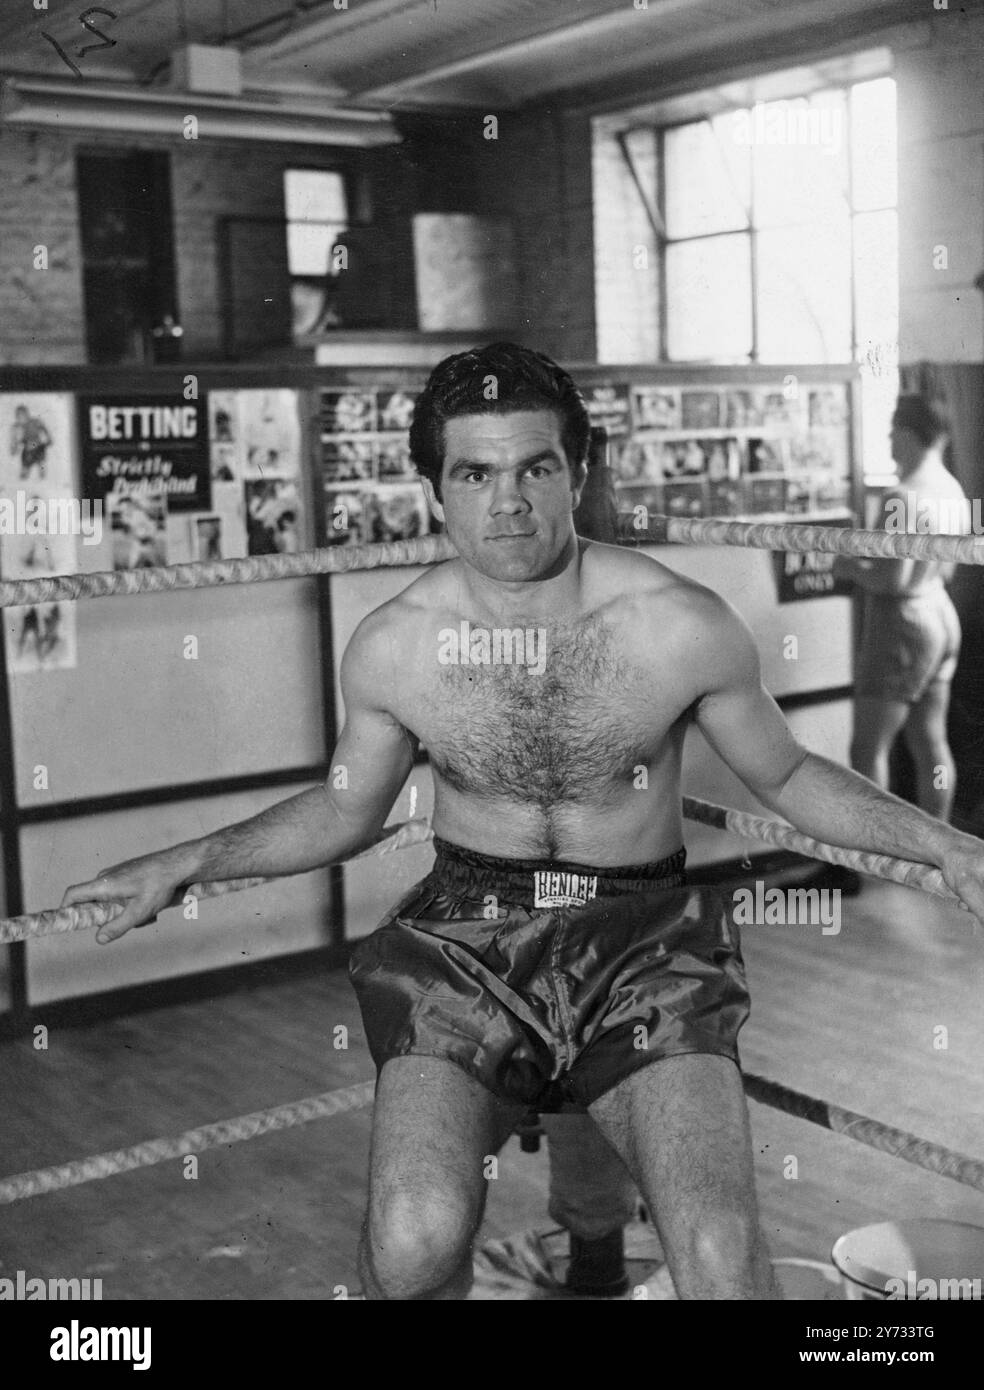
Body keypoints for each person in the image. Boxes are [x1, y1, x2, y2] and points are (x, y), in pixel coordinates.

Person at [62, 344, 984, 1301]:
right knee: (412, 1238)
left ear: (576, 475)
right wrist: (186, 861)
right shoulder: (394, 645)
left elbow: (787, 772)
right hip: (466, 940)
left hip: (640, 942)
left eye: (535, 468)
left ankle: (602, 1243)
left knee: (719, 1262)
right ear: (435, 490)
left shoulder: (680, 622)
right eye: (474, 473)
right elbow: (345, 806)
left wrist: (945, 847)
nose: (508, 502)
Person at [832, 396, 970, 823]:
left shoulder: (900, 496)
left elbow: (890, 581)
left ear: (908, 434)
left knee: (868, 747)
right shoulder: (951, 486)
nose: (889, 440)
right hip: (941, 615)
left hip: (904, 622)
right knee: (931, 742)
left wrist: (847, 565)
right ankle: (941, 847)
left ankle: (873, 857)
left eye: (892, 431)